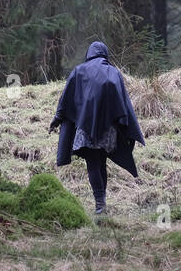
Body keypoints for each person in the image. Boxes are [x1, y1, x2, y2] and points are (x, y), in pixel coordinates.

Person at [49, 41, 145, 215]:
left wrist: (57, 119)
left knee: (93, 163)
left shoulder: (79, 71)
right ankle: (101, 204)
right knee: (101, 161)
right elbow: (124, 103)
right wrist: (125, 127)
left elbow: (66, 99)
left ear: (89, 53)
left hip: (85, 129)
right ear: (105, 54)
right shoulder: (113, 72)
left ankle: (100, 205)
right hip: (108, 130)